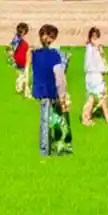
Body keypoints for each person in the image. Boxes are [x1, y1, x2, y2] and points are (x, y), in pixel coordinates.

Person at [30, 24, 72, 156]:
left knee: (44, 121)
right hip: (52, 91)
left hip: (41, 91)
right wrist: (62, 94)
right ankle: (54, 148)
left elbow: (39, 71)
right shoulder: (55, 55)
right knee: (56, 120)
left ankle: (45, 149)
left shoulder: (35, 54)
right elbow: (59, 76)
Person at [82, 27, 108, 126]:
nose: (95, 39)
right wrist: (105, 69)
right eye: (93, 37)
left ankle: (90, 117)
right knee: (98, 97)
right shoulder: (93, 48)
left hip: (92, 75)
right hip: (94, 76)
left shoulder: (91, 47)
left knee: (96, 97)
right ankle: (87, 117)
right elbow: (99, 61)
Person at [8, 22, 30, 97]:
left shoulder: (17, 40)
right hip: (21, 61)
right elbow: (10, 50)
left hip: (21, 61)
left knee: (22, 75)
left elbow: (10, 50)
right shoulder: (17, 41)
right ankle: (21, 88)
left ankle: (21, 88)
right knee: (23, 75)